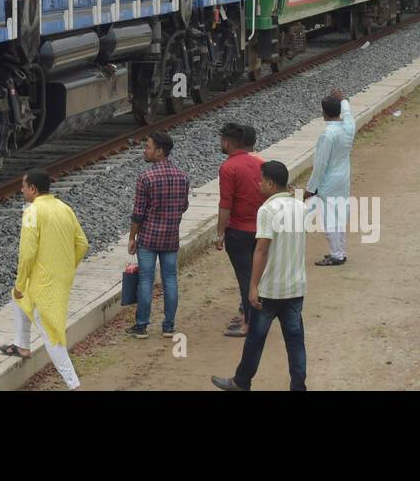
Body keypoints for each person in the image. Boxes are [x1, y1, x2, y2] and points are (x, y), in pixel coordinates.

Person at [211, 160, 307, 391]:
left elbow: (262, 249)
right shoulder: (301, 207)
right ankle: (298, 386)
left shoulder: (266, 210)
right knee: (295, 341)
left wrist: (253, 287)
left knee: (256, 338)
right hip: (295, 286)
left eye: (262, 180)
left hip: (271, 289)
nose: (259, 183)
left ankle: (242, 381)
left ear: (271, 183)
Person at [0, 169, 89, 389]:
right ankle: (22, 346)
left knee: (51, 332)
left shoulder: (32, 212)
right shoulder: (64, 208)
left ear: (33, 189)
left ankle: (73, 384)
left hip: (44, 282)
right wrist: (67, 265)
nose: (21, 190)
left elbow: (27, 254)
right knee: (19, 299)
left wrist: (21, 283)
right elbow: (82, 243)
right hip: (59, 277)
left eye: (23, 186)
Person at [126, 132, 190, 338]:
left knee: (146, 280)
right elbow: (184, 206)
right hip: (171, 237)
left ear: (160, 151)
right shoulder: (182, 177)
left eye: (148, 147)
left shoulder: (146, 177)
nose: (145, 150)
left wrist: (132, 238)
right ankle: (169, 326)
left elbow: (138, 213)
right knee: (170, 279)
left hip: (149, 237)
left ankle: (142, 325)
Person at [215, 122, 266, 338]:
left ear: (227, 142)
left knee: (245, 277)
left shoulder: (228, 168)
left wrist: (219, 233)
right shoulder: (260, 164)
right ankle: (258, 318)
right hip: (260, 228)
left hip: (238, 230)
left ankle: (248, 323)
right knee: (257, 275)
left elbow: (225, 203)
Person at [304, 89, 354, 266]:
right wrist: (344, 100)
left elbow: (320, 165)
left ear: (324, 113)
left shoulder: (328, 135)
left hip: (329, 181)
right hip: (343, 178)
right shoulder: (348, 128)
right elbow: (348, 114)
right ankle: (340, 251)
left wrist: (310, 188)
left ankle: (336, 255)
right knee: (339, 216)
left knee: (329, 219)